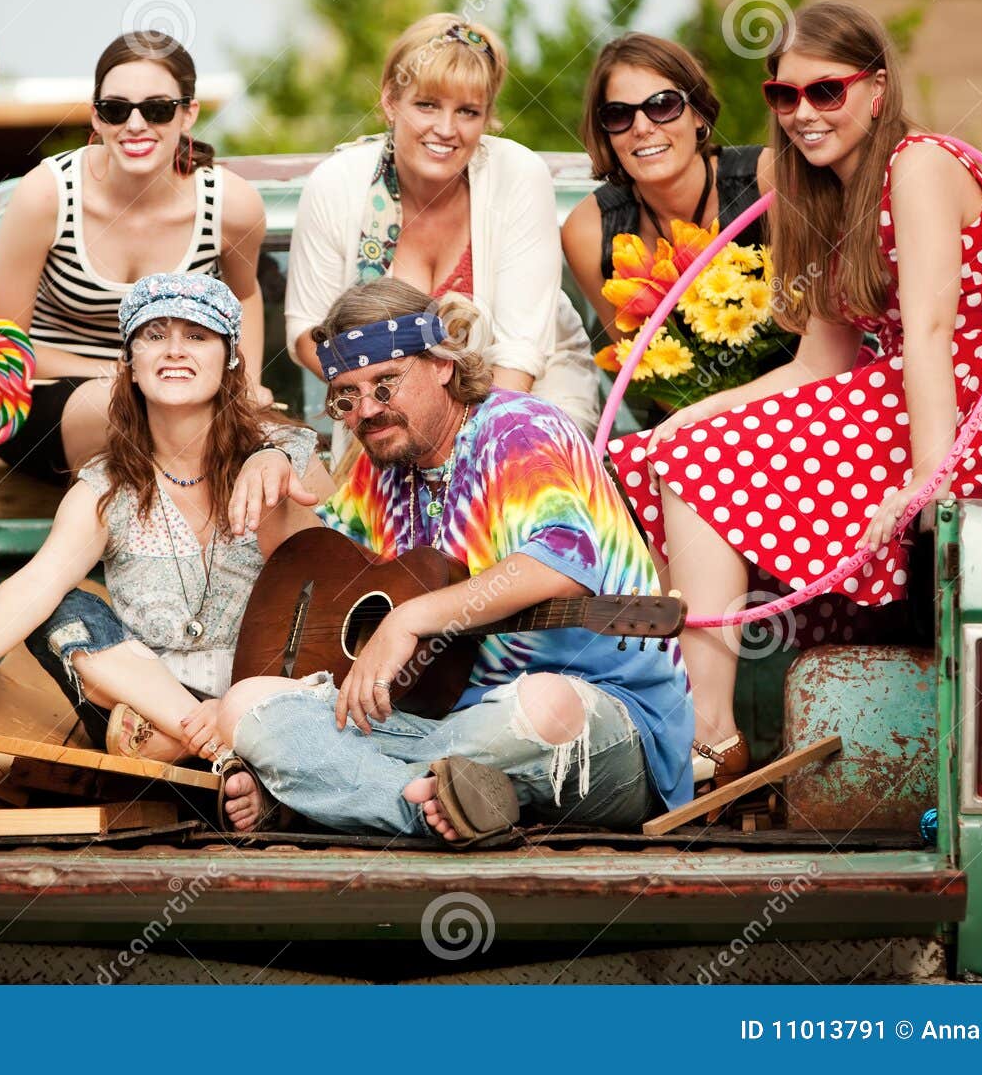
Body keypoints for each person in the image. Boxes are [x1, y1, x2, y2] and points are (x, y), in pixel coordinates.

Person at [607, 0, 982, 790]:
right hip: (904, 393)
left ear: (876, 89)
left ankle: (709, 734)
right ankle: (675, 713)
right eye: (785, 95)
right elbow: (816, 366)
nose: (804, 113)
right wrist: (690, 417)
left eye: (827, 91)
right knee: (659, 457)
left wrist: (927, 479)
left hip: (977, 405)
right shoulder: (820, 192)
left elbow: (929, 334)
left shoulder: (917, 166)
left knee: (698, 466)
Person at [210, 280, 693, 840]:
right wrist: (269, 457)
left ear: (442, 363)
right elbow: (321, 568)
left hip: (599, 726)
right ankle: (439, 803)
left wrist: (409, 618)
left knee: (542, 702)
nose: (368, 410)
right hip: (441, 725)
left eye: (386, 383)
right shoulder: (383, 462)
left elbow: (562, 566)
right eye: (346, 397)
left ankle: (347, 792)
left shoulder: (519, 430)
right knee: (246, 705)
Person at [0, 273, 330, 773]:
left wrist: (271, 462)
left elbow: (328, 592)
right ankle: (218, 747)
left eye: (197, 335)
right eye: (155, 335)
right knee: (57, 607)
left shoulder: (283, 455)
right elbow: (38, 583)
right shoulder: (106, 485)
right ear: (130, 365)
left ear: (231, 359)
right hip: (148, 695)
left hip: (264, 690)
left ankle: (190, 744)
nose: (174, 350)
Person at [284, 13, 600, 440]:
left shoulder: (519, 175)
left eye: (467, 111)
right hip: (385, 409)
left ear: (487, 118)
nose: (446, 129)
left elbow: (520, 353)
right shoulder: (336, 183)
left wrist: (461, 450)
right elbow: (309, 333)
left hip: (529, 393)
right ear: (390, 101)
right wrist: (389, 404)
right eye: (427, 105)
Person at [0, 32, 271, 486]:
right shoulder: (48, 194)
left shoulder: (230, 206)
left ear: (188, 114)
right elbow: (1, 345)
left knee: (281, 442)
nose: (135, 124)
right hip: (52, 398)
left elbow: (245, 297)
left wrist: (245, 383)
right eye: (116, 109)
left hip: (182, 395)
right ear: (96, 116)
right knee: (126, 408)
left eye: (157, 109)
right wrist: (127, 373)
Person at [561, 33, 772, 346]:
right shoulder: (588, 230)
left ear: (698, 114)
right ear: (605, 133)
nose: (642, 127)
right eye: (619, 114)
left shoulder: (769, 179)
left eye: (662, 105)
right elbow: (636, 361)